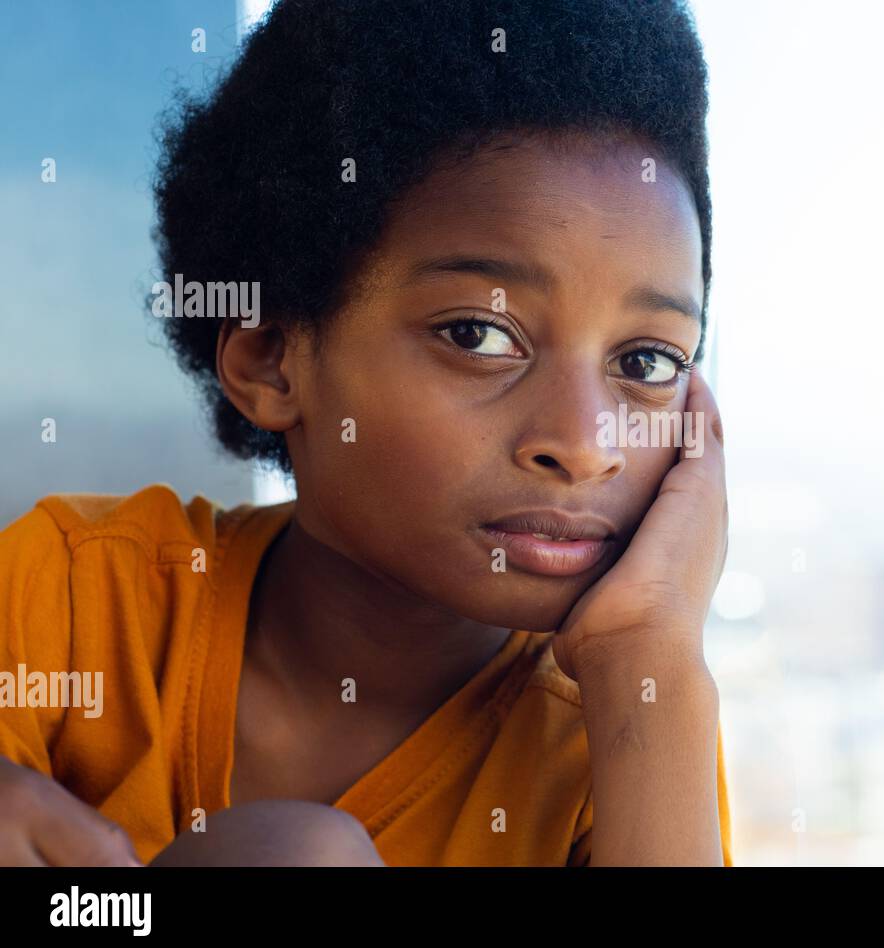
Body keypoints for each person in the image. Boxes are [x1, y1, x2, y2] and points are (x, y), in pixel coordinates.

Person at [0, 0, 732, 866]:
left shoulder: (614, 730)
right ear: (274, 358)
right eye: (477, 336)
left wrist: (649, 652)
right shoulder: (82, 602)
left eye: (645, 364)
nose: (583, 442)